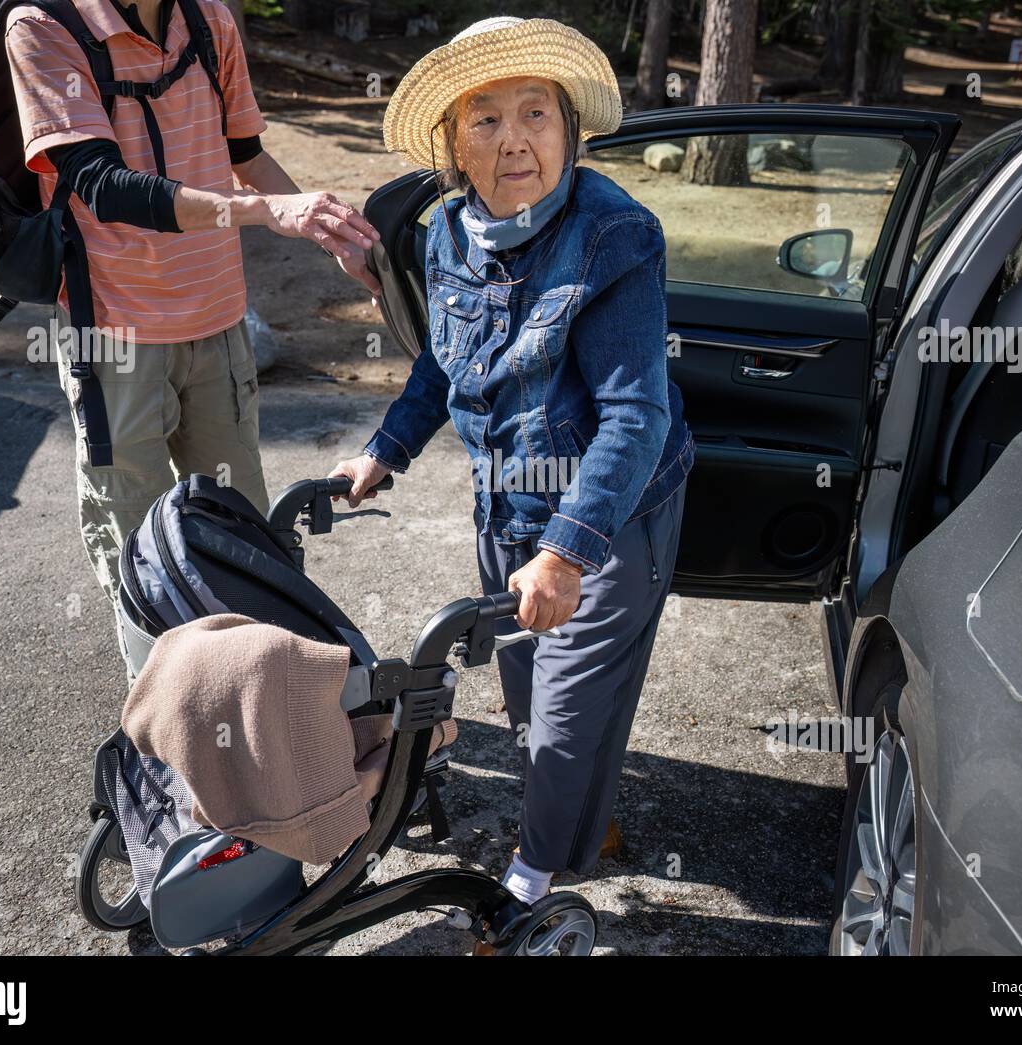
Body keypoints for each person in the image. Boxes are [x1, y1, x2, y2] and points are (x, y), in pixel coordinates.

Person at [328, 17, 695, 941]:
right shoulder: (446, 231)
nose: (515, 138)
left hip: (608, 512)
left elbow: (636, 415)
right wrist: (386, 450)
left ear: (570, 128)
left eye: (536, 112)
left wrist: (570, 551)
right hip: (507, 501)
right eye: (485, 118)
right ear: (454, 143)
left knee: (568, 708)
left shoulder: (618, 234)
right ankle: (580, 821)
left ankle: (529, 894)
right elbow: (440, 366)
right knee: (532, 698)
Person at [4, 0, 381, 605]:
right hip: (113, 336)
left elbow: (247, 155)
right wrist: (266, 211)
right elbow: (102, 187)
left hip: (220, 323)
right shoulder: (43, 26)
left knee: (245, 539)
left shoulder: (208, 19)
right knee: (143, 559)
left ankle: (245, 692)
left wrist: (338, 241)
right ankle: (160, 697)